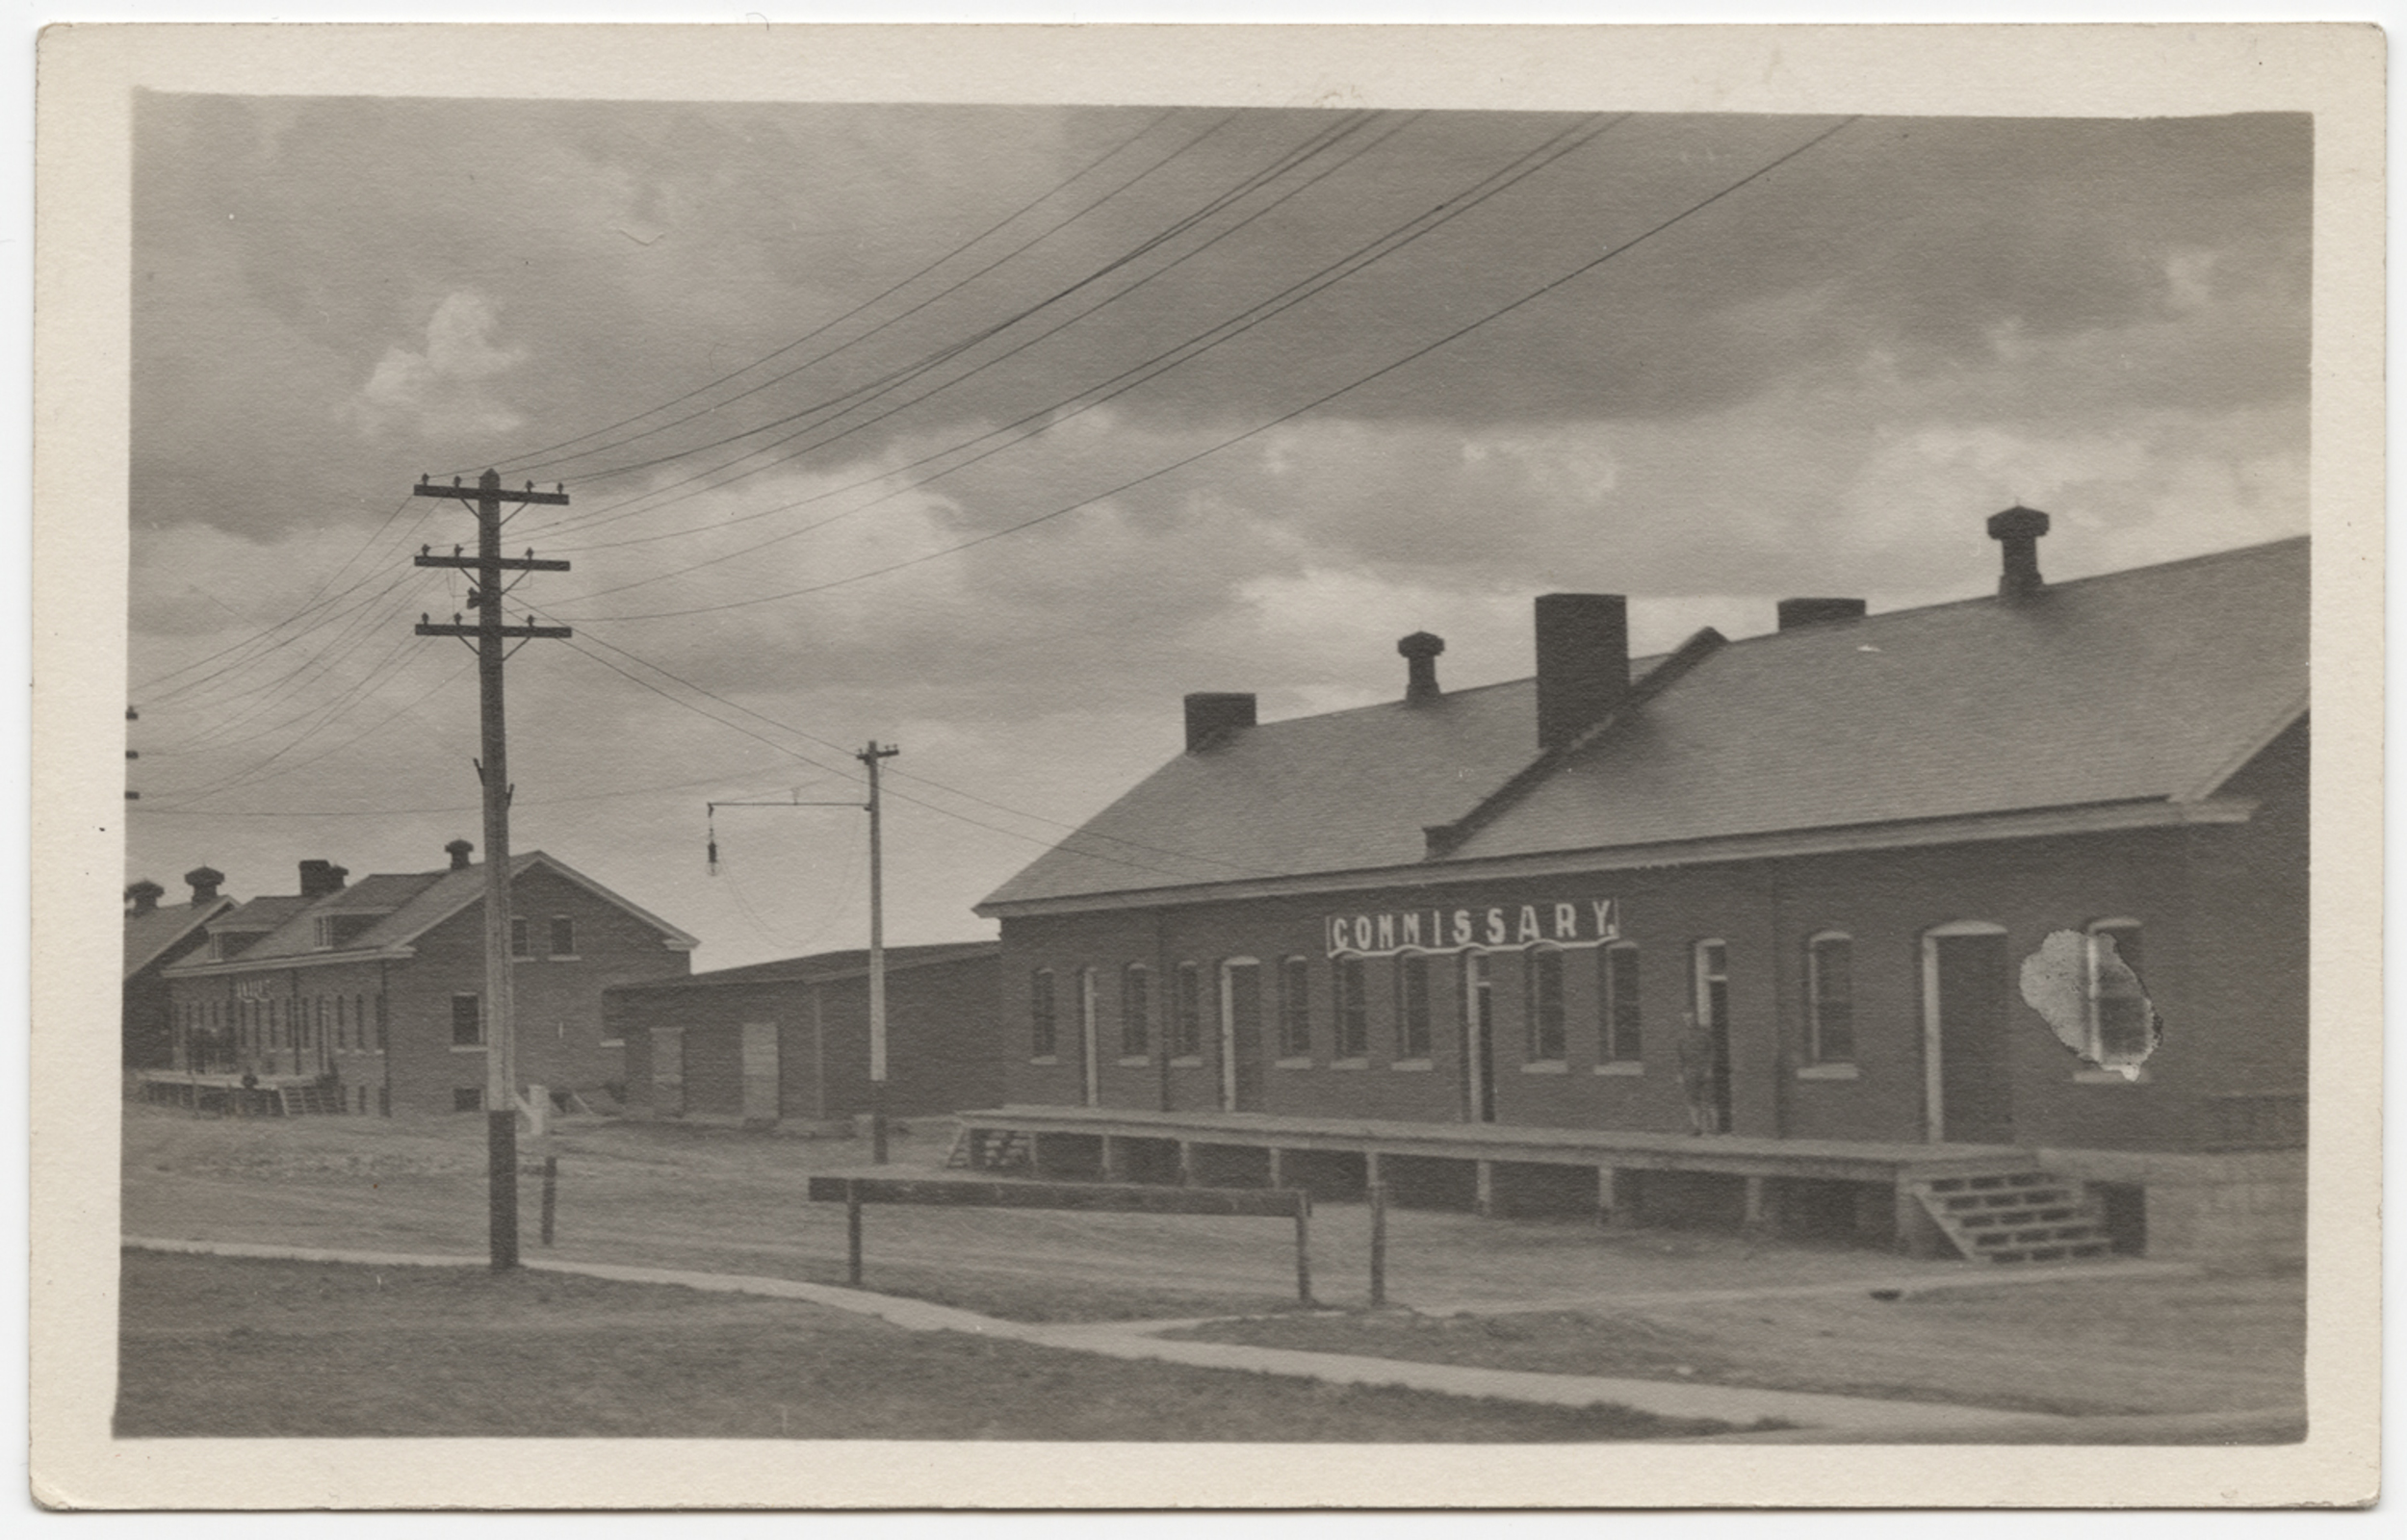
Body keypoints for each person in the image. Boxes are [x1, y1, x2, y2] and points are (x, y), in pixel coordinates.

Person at [1676, 1012, 1722, 1136]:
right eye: (1686, 1019)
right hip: (1690, 1071)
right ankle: (1696, 1128)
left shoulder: (1705, 1035)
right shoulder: (1682, 1037)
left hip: (1704, 1070)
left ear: (1695, 1019)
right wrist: (1680, 1073)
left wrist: (1709, 1068)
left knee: (1711, 1099)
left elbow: (1712, 1052)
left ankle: (1715, 1128)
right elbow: (1680, 1056)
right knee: (1692, 1100)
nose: (1689, 1021)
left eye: (1691, 1019)